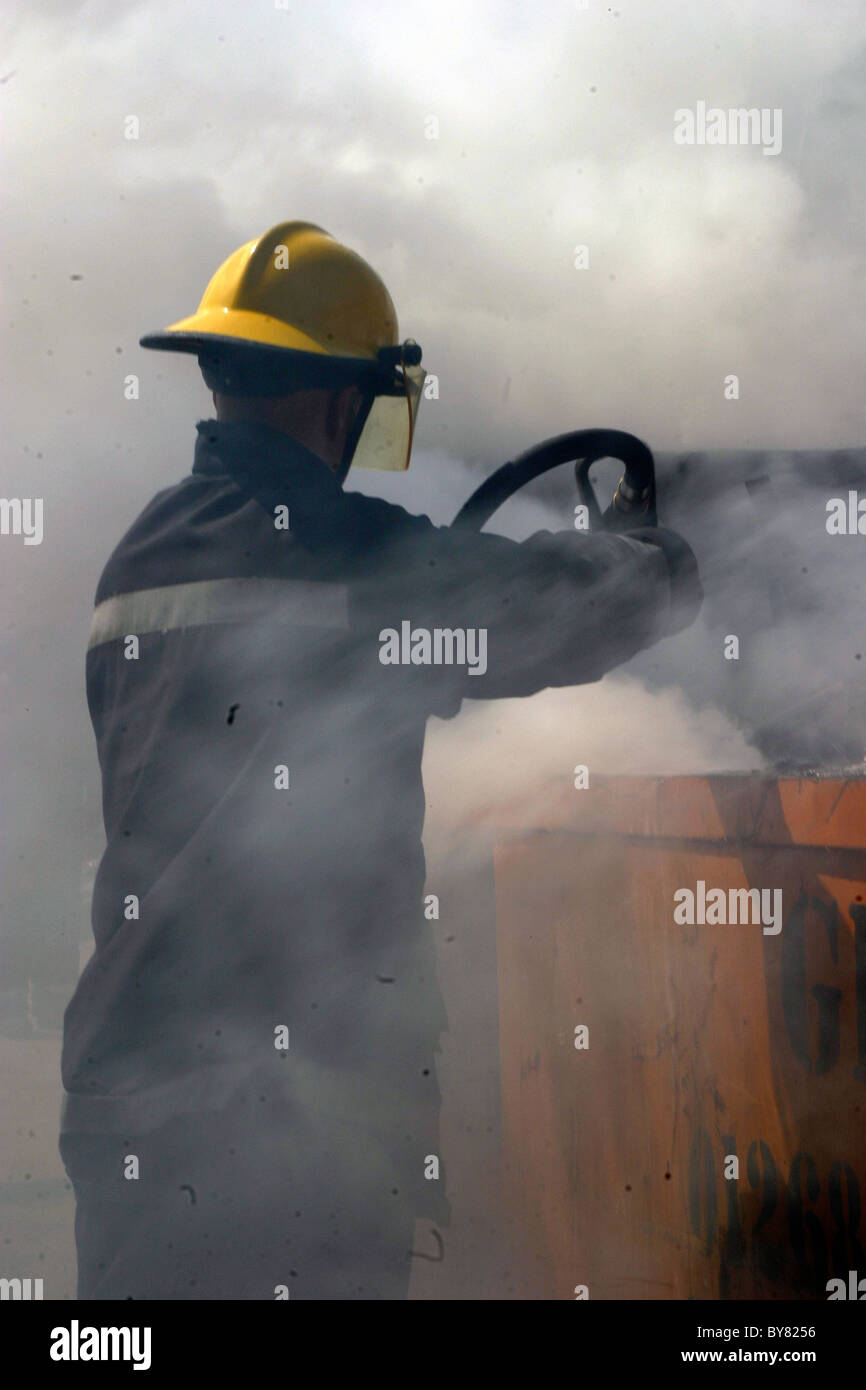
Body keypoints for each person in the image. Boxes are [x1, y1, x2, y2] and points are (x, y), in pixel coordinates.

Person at [59, 221, 703, 1299]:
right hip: (278, 1115)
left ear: (219, 376)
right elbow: (553, 612)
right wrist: (651, 555)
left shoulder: (143, 550)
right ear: (339, 398)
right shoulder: (343, 561)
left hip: (131, 1085)